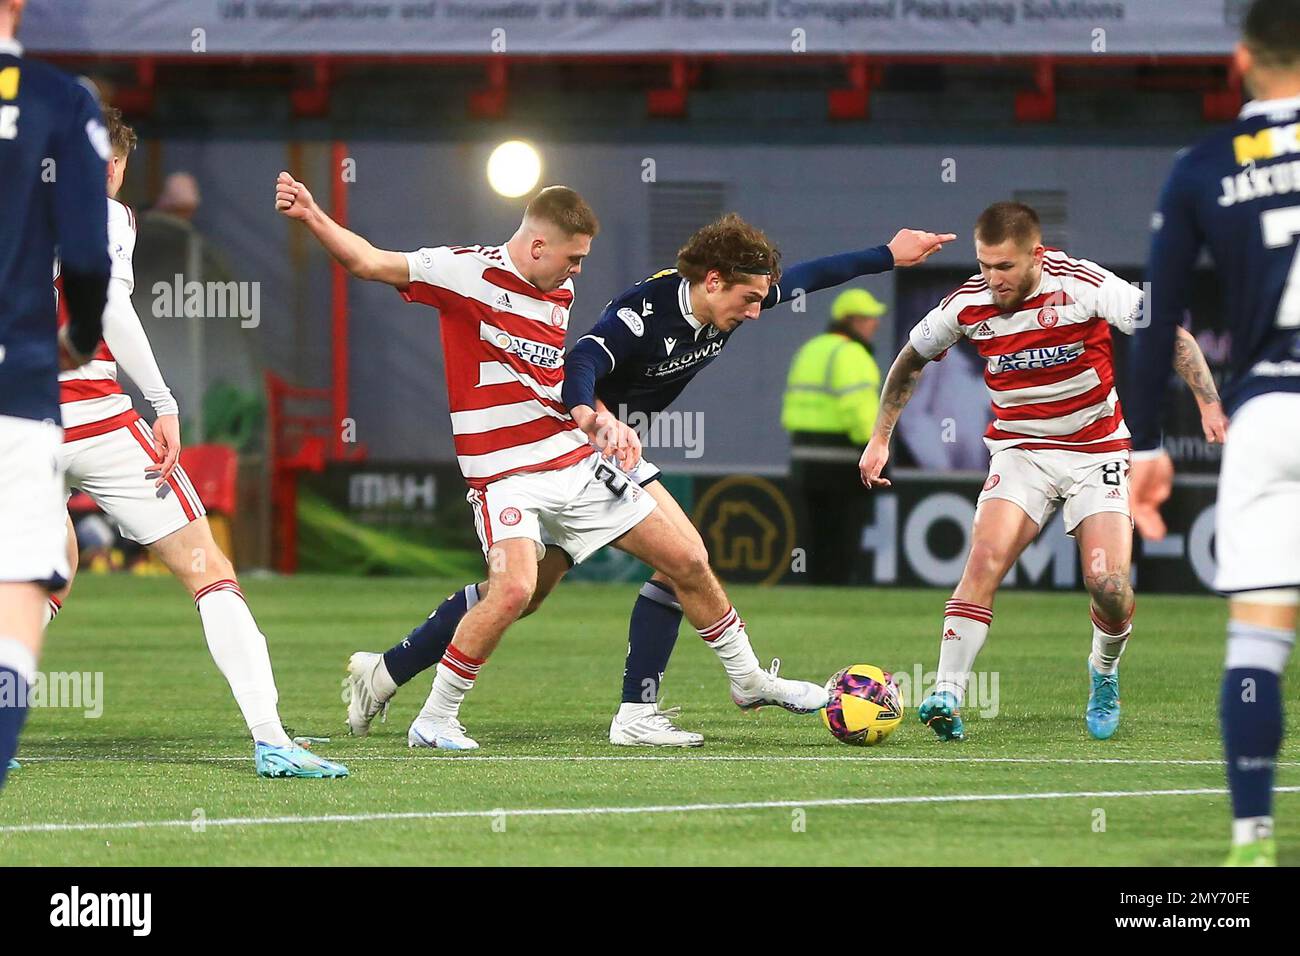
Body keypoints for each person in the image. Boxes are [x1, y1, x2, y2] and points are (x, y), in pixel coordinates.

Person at [345, 217, 952, 746]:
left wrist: (886, 255)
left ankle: (387, 673)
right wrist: (594, 416)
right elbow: (581, 359)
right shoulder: (645, 312)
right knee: (673, 561)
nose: (755, 310)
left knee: (534, 592)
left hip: (605, 448)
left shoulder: (739, 293)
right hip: (576, 446)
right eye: (746, 299)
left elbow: (811, 277)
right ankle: (719, 688)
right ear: (712, 281)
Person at [276, 174, 830, 751]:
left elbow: (552, 383)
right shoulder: (464, 273)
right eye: (574, 257)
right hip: (505, 473)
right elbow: (369, 262)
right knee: (514, 591)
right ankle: (435, 718)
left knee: (686, 557)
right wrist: (314, 215)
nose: (578, 272)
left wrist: (597, 420)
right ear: (538, 245)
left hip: (570, 459)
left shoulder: (557, 293)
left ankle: (746, 680)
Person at [47, 110, 347, 779]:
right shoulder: (106, 214)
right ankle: (271, 738)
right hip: (91, 414)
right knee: (204, 564)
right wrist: (164, 401)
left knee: (45, 570)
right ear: (114, 164)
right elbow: (110, 311)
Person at [858, 201, 1225, 743]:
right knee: (984, 557)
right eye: (984, 265)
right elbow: (910, 359)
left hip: (1095, 451)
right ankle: (948, 693)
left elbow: (1168, 333)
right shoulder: (967, 304)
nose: (992, 279)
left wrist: (1208, 403)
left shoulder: (1082, 285)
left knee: (1107, 583)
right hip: (1020, 451)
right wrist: (881, 436)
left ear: (1036, 255)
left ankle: (1103, 671)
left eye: (1004, 267)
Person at [1128, 0, 1300, 867]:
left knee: (1257, 647)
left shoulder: (1204, 166)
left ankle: (1251, 843)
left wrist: (1147, 446)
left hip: (1268, 414)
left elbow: (1159, 315)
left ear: (1241, 59)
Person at [0, 0, 109, 785]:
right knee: (13, 596)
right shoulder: (57, 99)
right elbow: (89, 254)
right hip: (19, 381)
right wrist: (80, 335)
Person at [781, 287, 886, 585]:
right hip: (842, 462)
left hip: (803, 459)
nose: (874, 324)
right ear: (852, 321)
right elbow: (861, 411)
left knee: (814, 537)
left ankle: (814, 592)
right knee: (843, 538)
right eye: (868, 318)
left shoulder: (809, 349)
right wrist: (876, 452)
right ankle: (836, 592)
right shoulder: (852, 354)